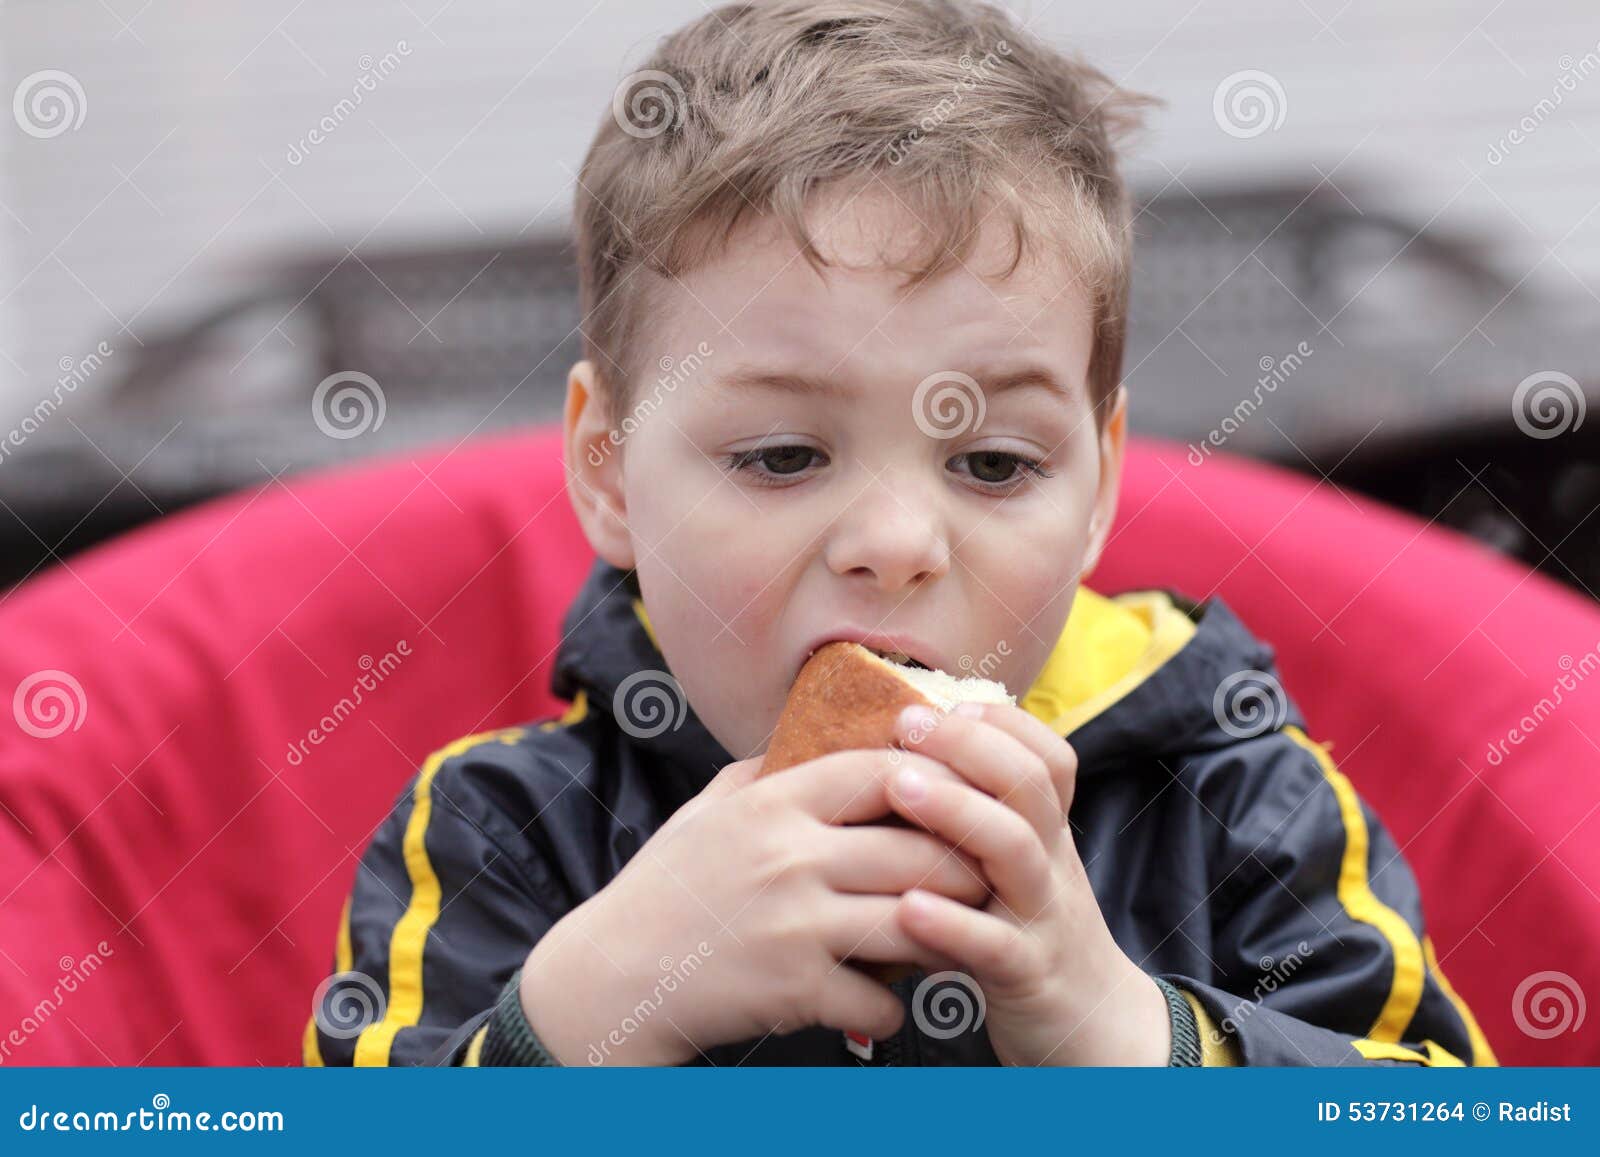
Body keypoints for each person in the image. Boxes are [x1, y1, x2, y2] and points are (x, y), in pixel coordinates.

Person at [307, 0, 1494, 1068]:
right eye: (781, 455)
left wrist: (1132, 1038)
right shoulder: (500, 832)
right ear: (607, 469)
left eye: (992, 462)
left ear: (1096, 488)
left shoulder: (1241, 805)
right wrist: (582, 1015)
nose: (893, 541)